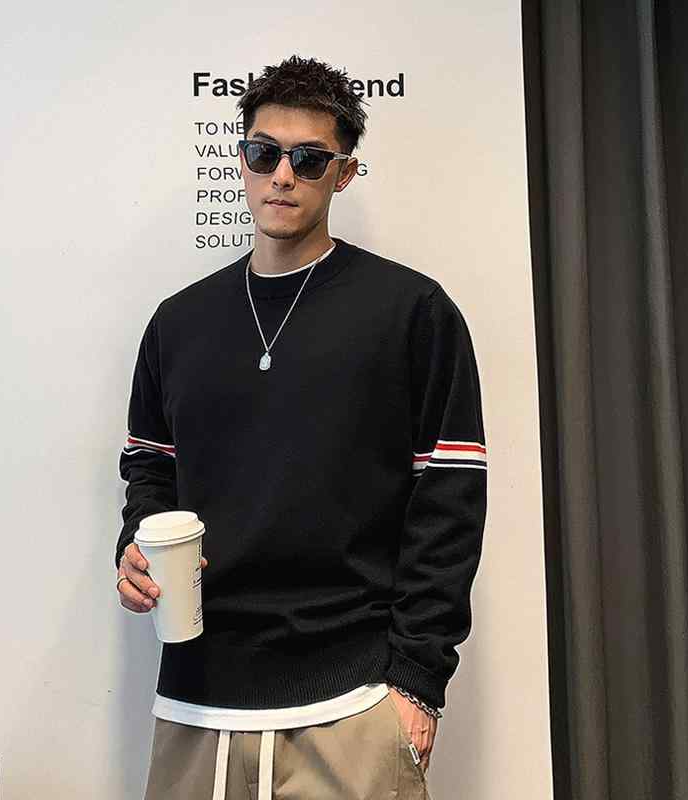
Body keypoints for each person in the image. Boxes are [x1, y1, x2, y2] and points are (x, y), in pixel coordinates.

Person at [114, 54, 488, 800]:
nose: (282, 176)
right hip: (197, 692)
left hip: (353, 696)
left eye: (309, 159)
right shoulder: (178, 323)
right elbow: (151, 469)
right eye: (264, 153)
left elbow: (449, 504)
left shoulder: (412, 313)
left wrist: (417, 681)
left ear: (343, 174)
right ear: (241, 159)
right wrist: (138, 546)